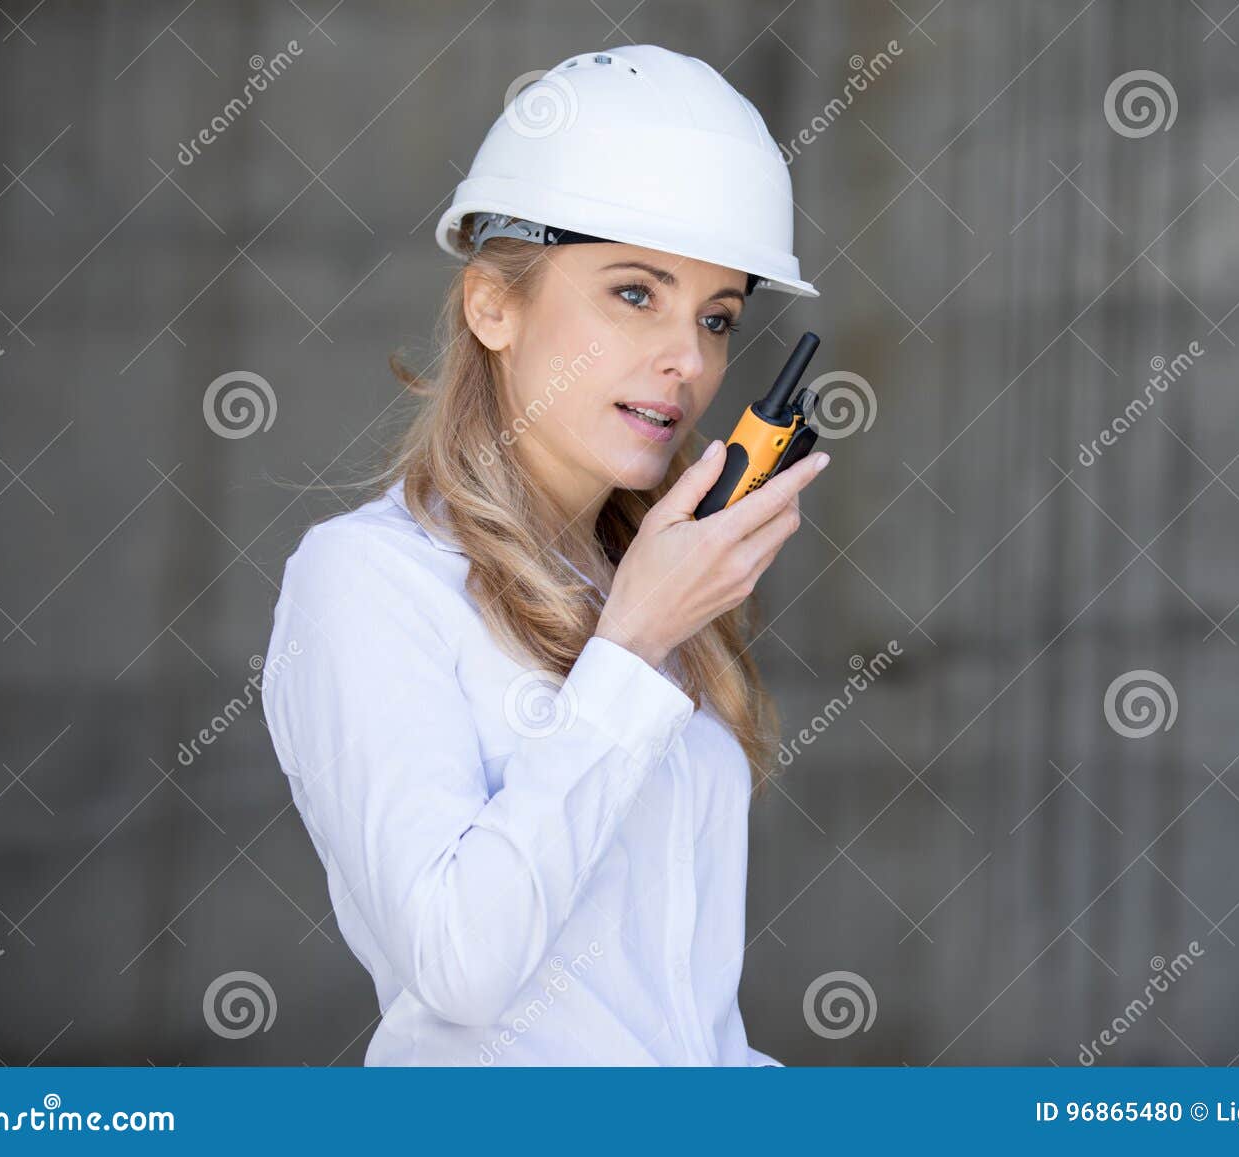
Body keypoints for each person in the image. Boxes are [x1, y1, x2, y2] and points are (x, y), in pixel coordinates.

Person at [262, 44, 827, 1066]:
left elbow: (675, 1029)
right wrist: (633, 644)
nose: (687, 359)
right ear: (493, 305)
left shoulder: (648, 590)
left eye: (716, 317)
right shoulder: (366, 582)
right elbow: (460, 965)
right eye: (632, 293)